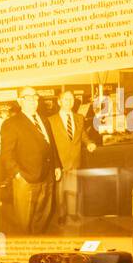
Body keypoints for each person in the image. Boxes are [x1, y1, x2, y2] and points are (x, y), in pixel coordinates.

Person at [0, 86, 61, 234]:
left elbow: (51, 145)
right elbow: (6, 154)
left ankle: (36, 244)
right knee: (24, 222)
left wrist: (57, 165)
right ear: (20, 101)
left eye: (35, 97)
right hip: (26, 180)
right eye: (28, 97)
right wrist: (18, 175)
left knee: (42, 216)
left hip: (47, 177)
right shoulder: (11, 123)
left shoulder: (44, 120)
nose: (33, 100)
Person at [49, 89, 84, 224]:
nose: (69, 102)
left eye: (71, 99)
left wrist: (89, 143)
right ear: (59, 102)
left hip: (75, 159)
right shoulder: (51, 120)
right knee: (60, 191)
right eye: (65, 99)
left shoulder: (79, 117)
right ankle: (61, 214)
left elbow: (82, 135)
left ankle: (72, 213)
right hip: (60, 161)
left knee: (73, 189)